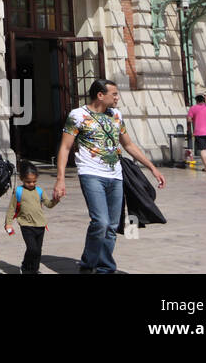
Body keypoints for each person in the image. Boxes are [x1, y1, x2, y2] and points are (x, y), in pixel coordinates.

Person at [53, 79, 165, 273]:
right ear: (100, 95)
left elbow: (128, 145)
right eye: (114, 94)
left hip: (116, 176)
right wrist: (60, 179)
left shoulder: (116, 115)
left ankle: (105, 267)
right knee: (101, 222)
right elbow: (65, 147)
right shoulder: (78, 115)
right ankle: (88, 263)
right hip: (90, 174)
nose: (117, 97)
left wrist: (152, 167)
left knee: (112, 225)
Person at [4, 161, 58, 274]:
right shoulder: (18, 191)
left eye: (34, 181)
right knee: (32, 249)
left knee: (38, 251)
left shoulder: (39, 191)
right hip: (26, 225)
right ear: (22, 178)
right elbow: (11, 208)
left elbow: (48, 204)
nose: (32, 184)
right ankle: (26, 266)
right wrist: (8, 223)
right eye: (28, 181)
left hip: (41, 225)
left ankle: (34, 269)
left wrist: (55, 200)